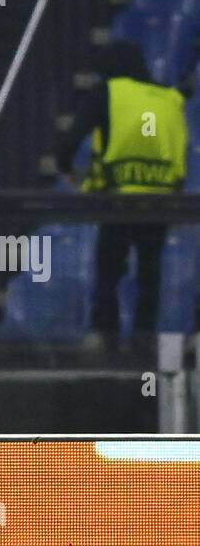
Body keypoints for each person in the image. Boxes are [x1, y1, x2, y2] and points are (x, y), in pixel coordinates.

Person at [56, 41, 187, 344]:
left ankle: (107, 339)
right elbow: (178, 153)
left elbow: (70, 140)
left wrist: (67, 168)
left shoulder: (108, 92)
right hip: (160, 200)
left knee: (109, 271)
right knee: (149, 273)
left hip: (119, 198)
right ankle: (144, 343)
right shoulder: (170, 98)